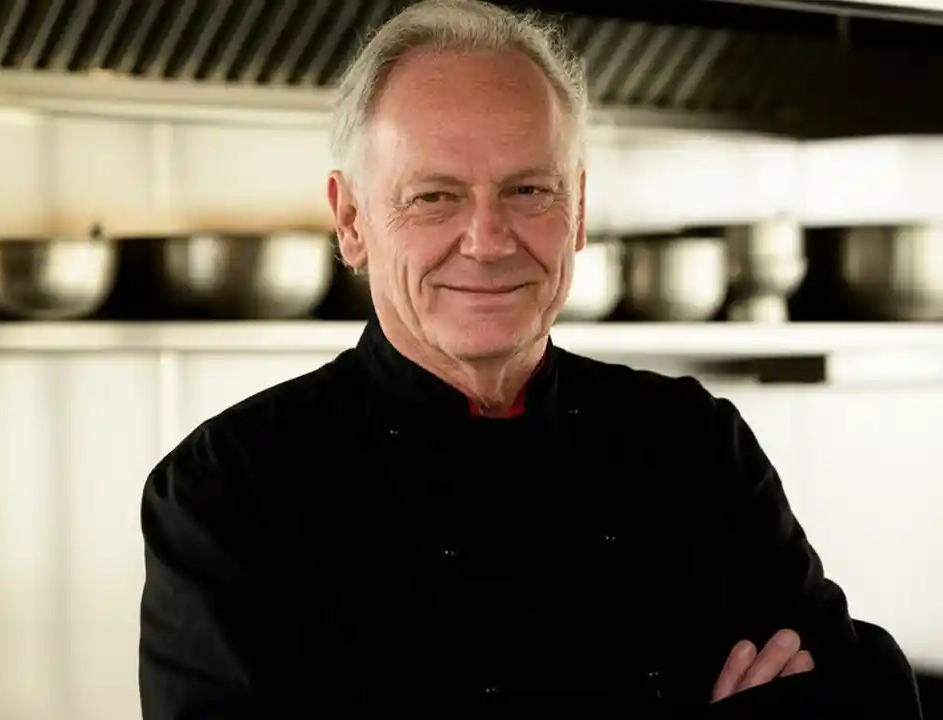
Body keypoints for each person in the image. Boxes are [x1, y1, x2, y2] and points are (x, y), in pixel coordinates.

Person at [139, 1, 920, 717]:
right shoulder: (230, 493)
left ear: (577, 209)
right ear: (351, 221)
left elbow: (869, 701)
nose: (488, 239)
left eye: (528, 191)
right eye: (434, 196)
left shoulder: (691, 446)